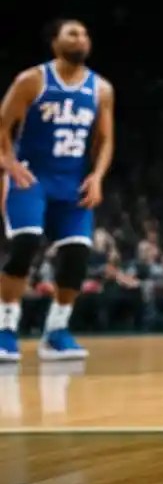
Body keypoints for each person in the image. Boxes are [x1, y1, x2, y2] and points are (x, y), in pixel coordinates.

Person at [0, 19, 115, 361]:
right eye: (73, 33)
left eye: (85, 33)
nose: (81, 38)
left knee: (77, 256)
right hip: (32, 180)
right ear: (55, 43)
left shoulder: (101, 89)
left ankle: (57, 331)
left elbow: (106, 139)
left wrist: (97, 176)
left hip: (73, 183)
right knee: (25, 245)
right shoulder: (32, 80)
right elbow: (2, 126)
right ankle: (6, 327)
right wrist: (9, 162)